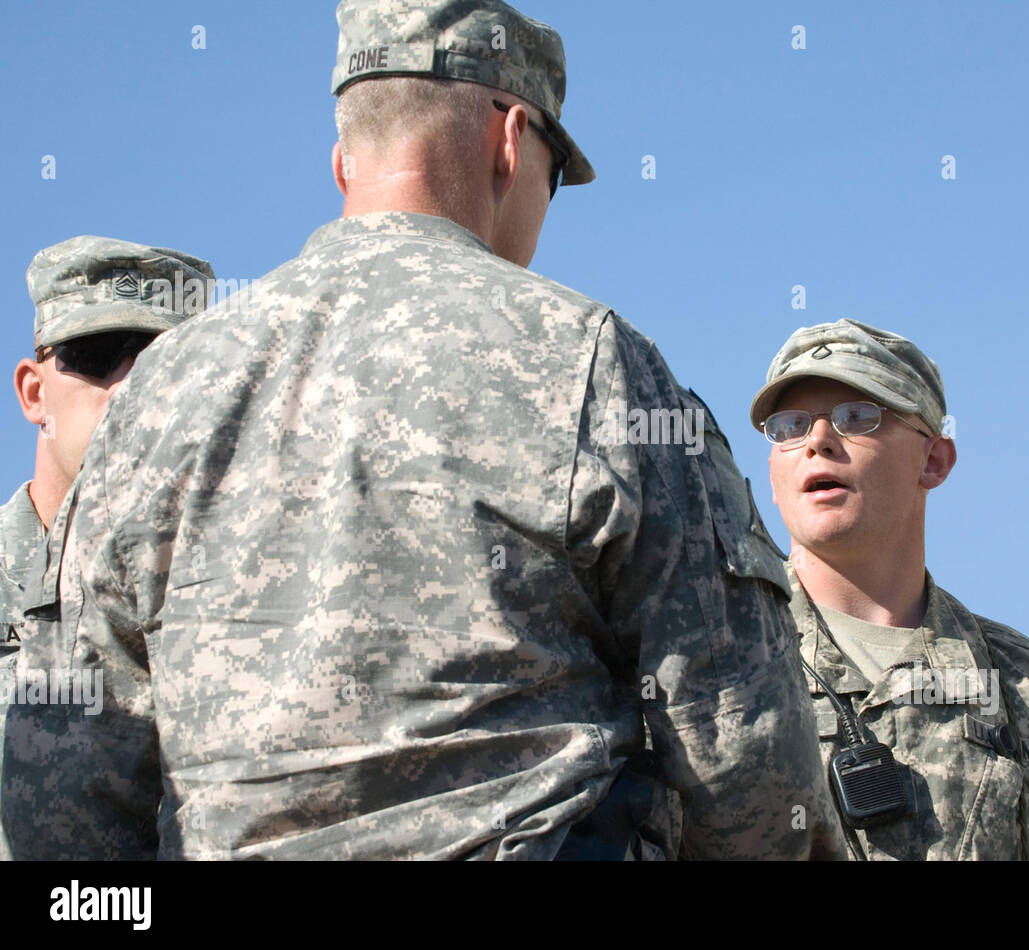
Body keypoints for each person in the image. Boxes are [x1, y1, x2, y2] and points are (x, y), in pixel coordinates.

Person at [1, 0, 839, 861]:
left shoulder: (162, 390)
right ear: (510, 141)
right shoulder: (593, 361)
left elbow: (64, 787)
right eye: (555, 174)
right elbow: (751, 775)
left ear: (343, 164)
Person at [750, 318, 1029, 860]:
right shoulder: (712, 668)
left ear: (934, 459)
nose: (818, 442)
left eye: (857, 418)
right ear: (772, 472)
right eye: (790, 427)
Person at [0, 236, 211, 858]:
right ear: (35, 392)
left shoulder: (237, 588)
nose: (126, 388)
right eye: (94, 354)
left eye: (161, 363)